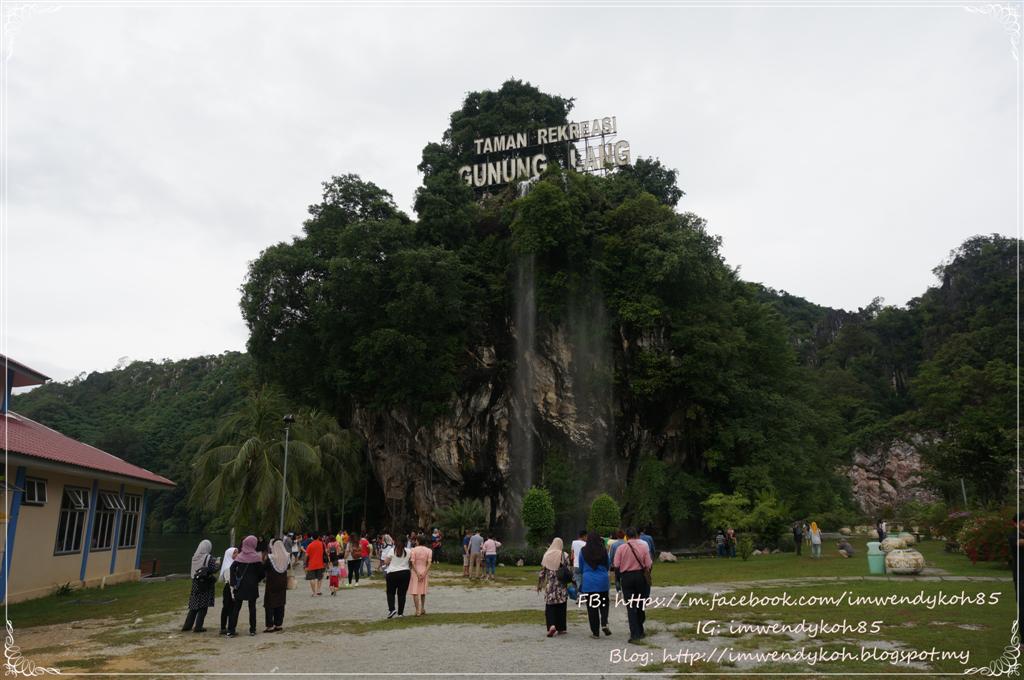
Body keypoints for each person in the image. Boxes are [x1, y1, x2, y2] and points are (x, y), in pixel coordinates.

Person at [613, 528, 652, 644]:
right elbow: (649, 564)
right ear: (636, 535)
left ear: (626, 536)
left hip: (627, 578)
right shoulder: (644, 546)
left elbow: (616, 565)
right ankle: (640, 629)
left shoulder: (621, 548)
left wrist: (619, 579)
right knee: (640, 603)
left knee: (630, 606)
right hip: (640, 576)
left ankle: (634, 633)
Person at [227, 535, 265, 637]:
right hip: (252, 586)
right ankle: (252, 629)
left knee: (236, 608)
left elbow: (232, 569)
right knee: (252, 608)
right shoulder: (256, 557)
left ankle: (231, 630)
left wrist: (234, 582)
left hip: (240, 586)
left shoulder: (239, 557)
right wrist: (256, 580)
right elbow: (262, 573)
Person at [579, 532, 611, 639]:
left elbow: (581, 566)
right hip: (602, 581)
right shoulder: (603, 551)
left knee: (592, 608)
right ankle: (604, 623)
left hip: (589, 582)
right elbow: (608, 564)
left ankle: (595, 632)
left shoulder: (583, 551)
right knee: (604, 603)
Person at [538, 537, 571, 637]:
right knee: (561, 606)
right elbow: (568, 569)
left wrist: (540, 583)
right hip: (561, 585)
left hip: (550, 586)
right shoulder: (564, 555)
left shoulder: (547, 555)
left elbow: (542, 571)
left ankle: (551, 625)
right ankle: (561, 627)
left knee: (550, 606)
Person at [182, 539, 217, 632]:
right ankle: (198, 627)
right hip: (205, 583)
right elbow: (213, 569)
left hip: (195, 582)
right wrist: (217, 563)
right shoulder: (209, 558)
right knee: (203, 606)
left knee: (194, 605)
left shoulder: (194, 557)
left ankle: (187, 625)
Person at [382, 537, 411, 618]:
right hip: (405, 573)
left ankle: (392, 609)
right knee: (402, 594)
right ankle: (400, 613)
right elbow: (410, 562)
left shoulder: (392, 550)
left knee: (390, 592)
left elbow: (386, 562)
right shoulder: (409, 551)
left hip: (392, 573)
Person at [263, 538, 289, 632]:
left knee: (269, 603)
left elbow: (264, 568)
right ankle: (278, 624)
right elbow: (288, 567)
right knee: (280, 602)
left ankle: (270, 625)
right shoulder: (287, 556)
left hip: (272, 583)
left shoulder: (270, 557)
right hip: (282, 583)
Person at [408, 534, 432, 616]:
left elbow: (412, 562)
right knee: (423, 592)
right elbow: (429, 563)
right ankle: (422, 609)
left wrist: (418, 573)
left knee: (415, 591)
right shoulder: (429, 550)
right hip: (424, 570)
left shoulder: (413, 550)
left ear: (418, 541)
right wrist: (424, 573)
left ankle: (417, 610)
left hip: (415, 571)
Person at [218, 545, 237, 635]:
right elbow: (230, 581)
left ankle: (224, 627)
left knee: (226, 608)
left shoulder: (231, 564)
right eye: (235, 553)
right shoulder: (229, 567)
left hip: (228, 587)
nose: (237, 554)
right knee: (230, 608)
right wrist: (233, 594)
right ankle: (229, 628)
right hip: (229, 588)